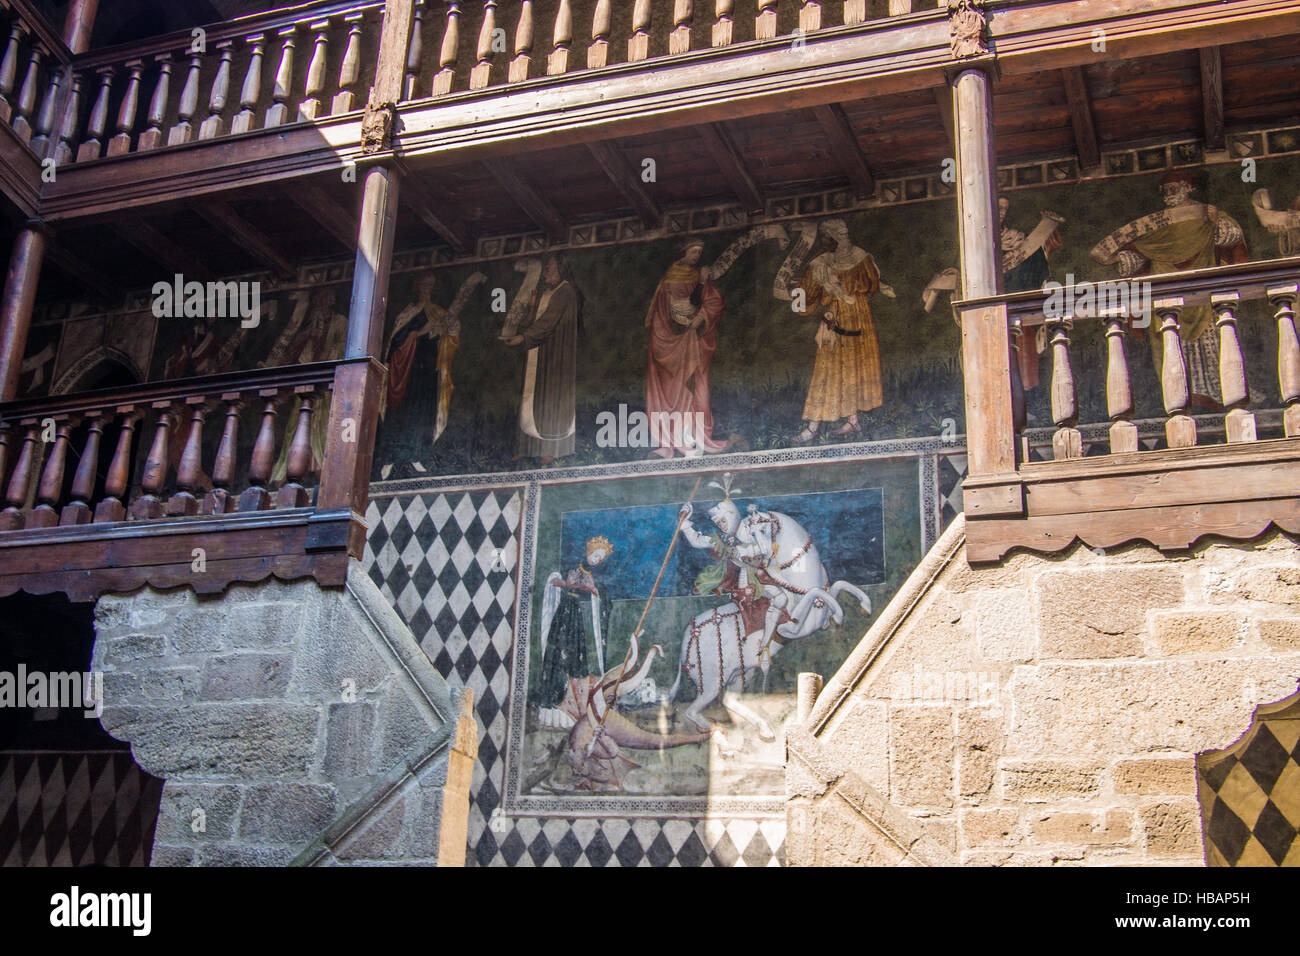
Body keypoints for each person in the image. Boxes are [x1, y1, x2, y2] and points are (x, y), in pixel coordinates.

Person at [1091, 169, 1247, 407]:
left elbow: (1231, 237)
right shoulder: (1157, 226)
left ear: (1188, 187)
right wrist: (1115, 259)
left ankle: (1219, 397)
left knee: (1212, 348)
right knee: (1170, 350)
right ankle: (1180, 401)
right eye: (1165, 190)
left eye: (1174, 188)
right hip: (1165, 301)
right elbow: (1139, 255)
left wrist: (1216, 220)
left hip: (1202, 301)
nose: (1169, 193)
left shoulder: (1208, 217)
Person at [775, 219, 895, 442]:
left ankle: (835, 422)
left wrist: (797, 290)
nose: (825, 241)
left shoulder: (825, 262)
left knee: (843, 368)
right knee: (835, 368)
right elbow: (871, 285)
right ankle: (828, 422)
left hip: (844, 316)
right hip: (857, 315)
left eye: (825, 237)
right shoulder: (859, 257)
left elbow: (804, 299)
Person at [643, 239, 729, 458]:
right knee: (668, 392)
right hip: (668, 342)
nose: (697, 256)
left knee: (694, 389)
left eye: (700, 252)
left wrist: (700, 318)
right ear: (683, 252)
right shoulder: (668, 281)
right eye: (693, 251)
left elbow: (713, 302)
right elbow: (662, 315)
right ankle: (668, 441)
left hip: (692, 342)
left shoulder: (697, 278)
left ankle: (693, 437)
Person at [502, 256, 580, 465]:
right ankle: (527, 448)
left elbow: (548, 322)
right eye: (546, 268)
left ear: (561, 270)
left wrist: (523, 338)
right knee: (531, 399)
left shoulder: (566, 291)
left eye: (550, 268)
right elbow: (533, 322)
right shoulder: (547, 292)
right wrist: (532, 307)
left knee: (550, 398)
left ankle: (552, 449)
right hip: (537, 352)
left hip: (555, 353)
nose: (546, 272)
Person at [535, 536, 613, 727]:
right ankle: (560, 709)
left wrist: (593, 589)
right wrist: (567, 584)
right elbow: (553, 580)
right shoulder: (571, 566)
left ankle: (578, 710)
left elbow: (601, 598)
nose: (596, 559)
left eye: (599, 558)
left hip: (578, 621)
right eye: (595, 555)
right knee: (559, 660)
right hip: (564, 618)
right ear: (588, 552)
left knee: (579, 663)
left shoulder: (594, 576)